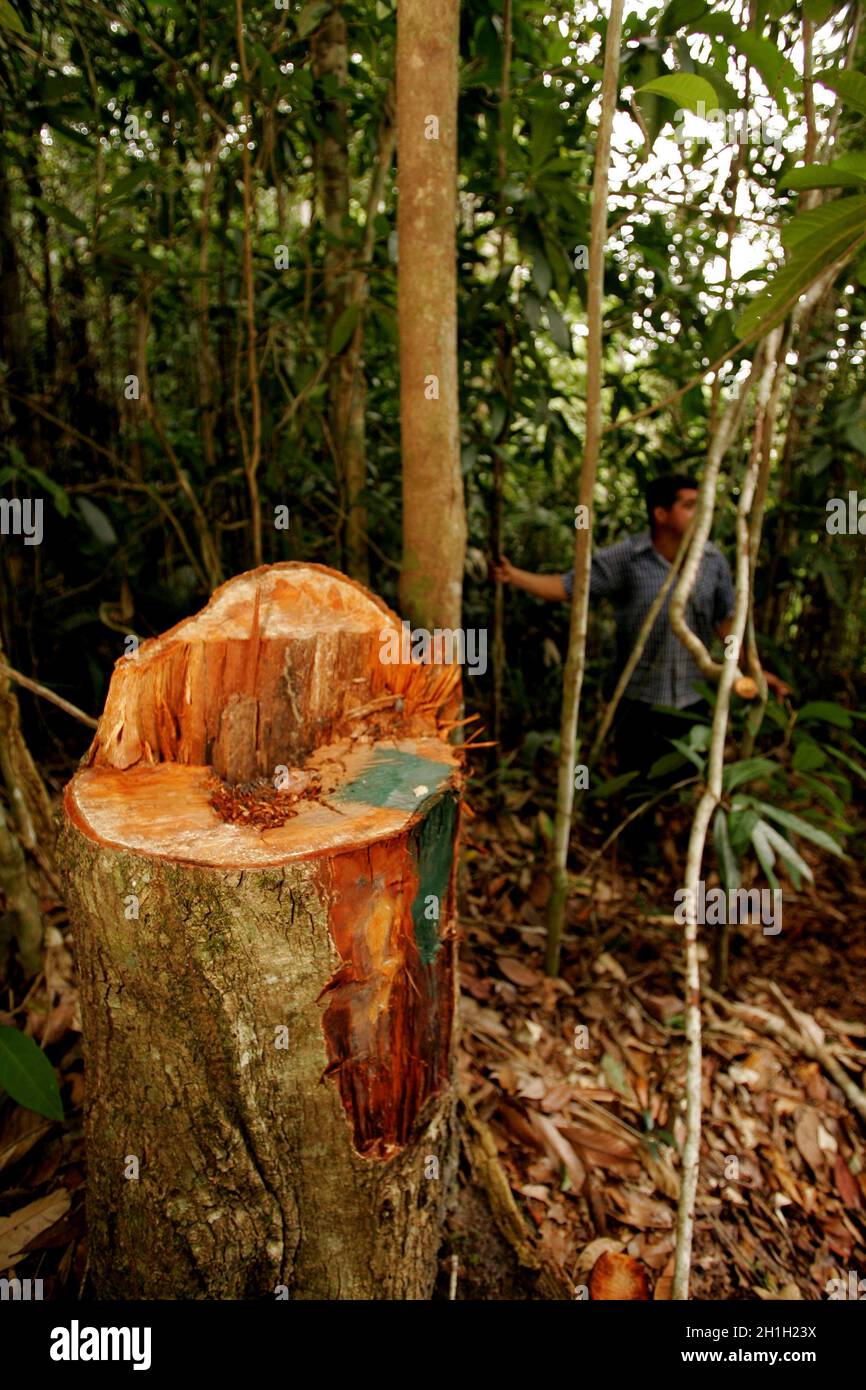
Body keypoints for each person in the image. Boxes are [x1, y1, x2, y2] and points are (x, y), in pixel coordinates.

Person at [492, 474, 791, 785]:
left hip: (693, 699)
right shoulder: (628, 557)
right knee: (636, 783)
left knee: (682, 786)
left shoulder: (712, 560)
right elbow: (570, 586)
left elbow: (725, 623)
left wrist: (750, 670)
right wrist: (512, 575)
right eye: (689, 506)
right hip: (638, 700)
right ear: (660, 514)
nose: (701, 513)